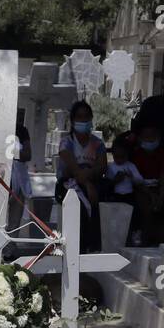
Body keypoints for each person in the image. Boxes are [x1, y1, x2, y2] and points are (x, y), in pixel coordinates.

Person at [56, 100, 105, 252]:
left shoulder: (97, 143)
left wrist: (89, 177)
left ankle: (97, 246)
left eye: (86, 117)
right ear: (72, 121)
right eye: (79, 117)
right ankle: (79, 248)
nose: (83, 120)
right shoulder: (67, 142)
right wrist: (88, 183)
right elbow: (73, 168)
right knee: (81, 205)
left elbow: (102, 166)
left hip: (93, 182)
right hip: (69, 184)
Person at [129, 121, 164, 245]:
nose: (149, 139)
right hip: (142, 189)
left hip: (158, 188)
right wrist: (151, 195)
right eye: (146, 136)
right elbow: (137, 181)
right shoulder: (137, 155)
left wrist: (161, 196)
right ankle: (145, 242)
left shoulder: (162, 154)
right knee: (145, 207)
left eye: (152, 136)